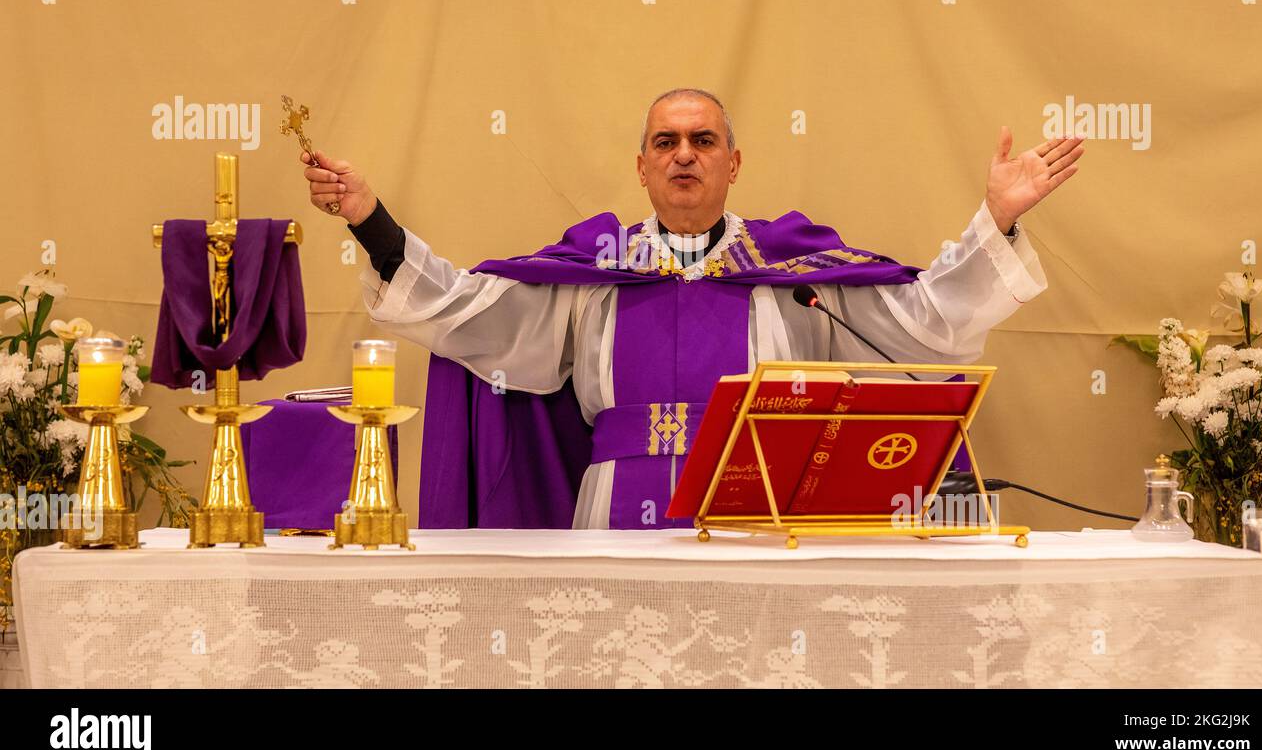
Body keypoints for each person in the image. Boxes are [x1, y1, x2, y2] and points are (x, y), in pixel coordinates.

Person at [302, 88, 1083, 529]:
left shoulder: (794, 271)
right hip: (611, 520)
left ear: (733, 163)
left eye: (704, 140)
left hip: (760, 513)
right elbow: (471, 312)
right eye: (667, 141)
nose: (685, 154)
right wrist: (371, 219)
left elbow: (927, 322)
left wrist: (999, 221)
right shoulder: (592, 271)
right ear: (641, 166)